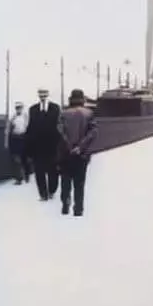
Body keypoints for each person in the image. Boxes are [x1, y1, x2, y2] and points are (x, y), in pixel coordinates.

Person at [57, 88, 97, 216]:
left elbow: (60, 132)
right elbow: (93, 132)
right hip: (82, 154)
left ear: (71, 100)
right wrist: (80, 147)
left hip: (66, 154)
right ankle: (78, 209)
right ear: (82, 100)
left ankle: (65, 203)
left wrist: (69, 146)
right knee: (79, 183)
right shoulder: (89, 113)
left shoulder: (63, 114)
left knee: (65, 180)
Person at [25, 87, 61, 201]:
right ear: (38, 95)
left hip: (52, 146)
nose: (43, 96)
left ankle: (51, 190)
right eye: (41, 94)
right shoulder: (33, 109)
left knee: (53, 171)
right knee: (39, 172)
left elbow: (58, 126)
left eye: (45, 94)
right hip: (37, 146)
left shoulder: (55, 108)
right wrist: (28, 146)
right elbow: (30, 128)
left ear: (48, 94)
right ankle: (43, 194)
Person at [5, 101, 31, 184]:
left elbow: (29, 127)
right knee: (16, 159)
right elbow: (8, 129)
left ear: (22, 108)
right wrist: (6, 141)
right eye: (17, 108)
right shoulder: (12, 117)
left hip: (24, 138)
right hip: (15, 138)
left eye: (19, 107)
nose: (18, 109)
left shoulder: (25, 116)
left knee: (24, 158)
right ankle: (18, 178)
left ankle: (27, 174)